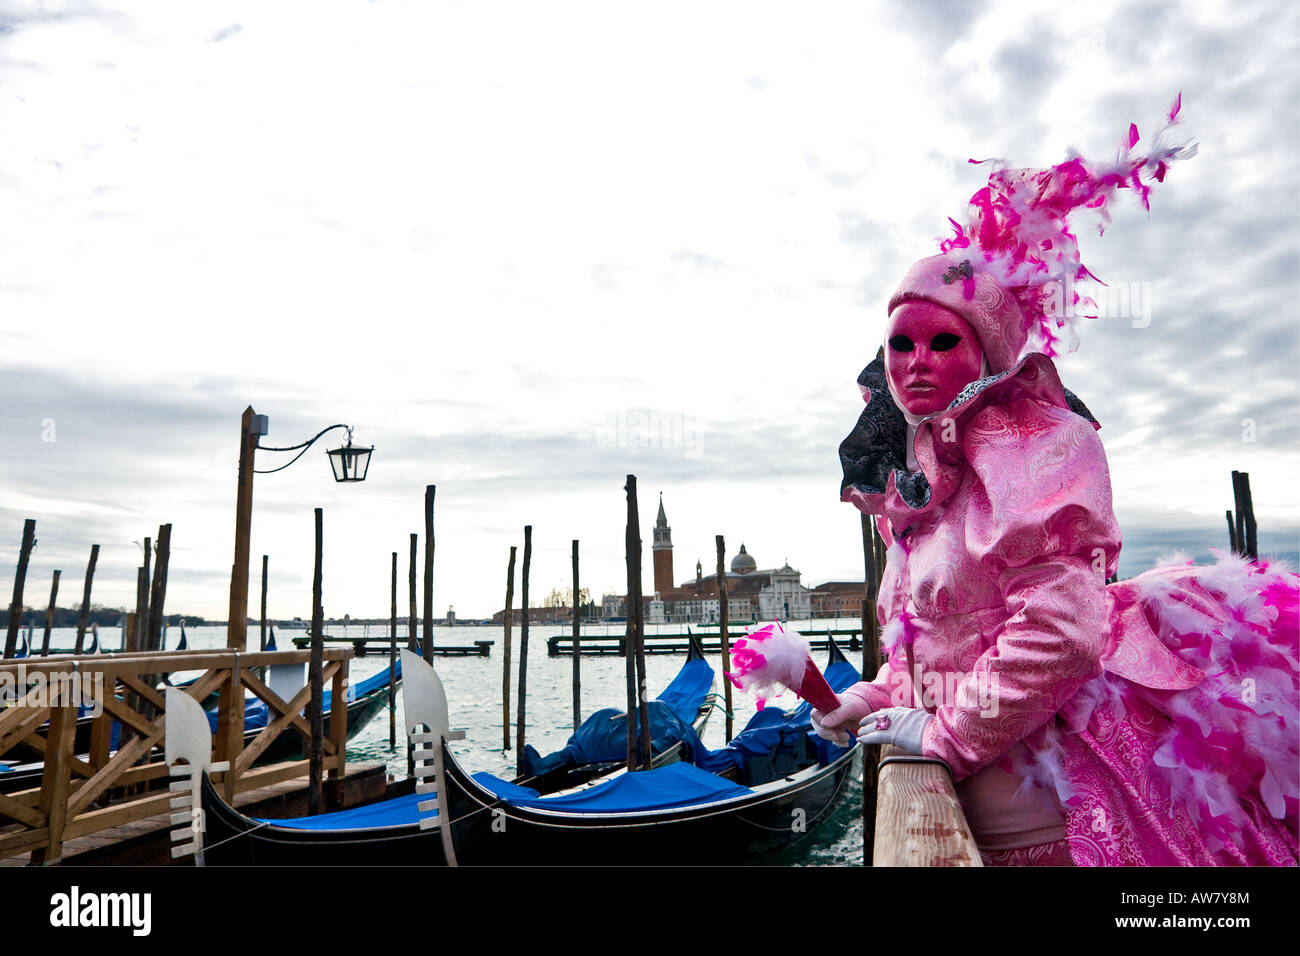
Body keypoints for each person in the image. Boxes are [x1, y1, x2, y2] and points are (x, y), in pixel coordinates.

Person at [816, 105, 1299, 866]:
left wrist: (942, 734)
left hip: (1041, 817)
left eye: (944, 341)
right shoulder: (916, 496)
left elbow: (1062, 630)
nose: (916, 361)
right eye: (900, 343)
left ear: (986, 354)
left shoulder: (1040, 449)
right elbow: (937, 645)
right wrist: (872, 699)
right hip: (964, 802)